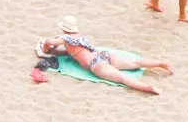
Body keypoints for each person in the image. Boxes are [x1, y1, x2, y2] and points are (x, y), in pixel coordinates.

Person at [41, 18, 173, 94]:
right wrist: (55, 51)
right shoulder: (80, 36)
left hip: (95, 64)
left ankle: (148, 88)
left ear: (64, 29)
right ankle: (162, 63)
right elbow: (70, 52)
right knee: (135, 63)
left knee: (122, 78)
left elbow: (49, 42)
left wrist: (47, 48)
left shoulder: (66, 38)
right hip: (103, 55)